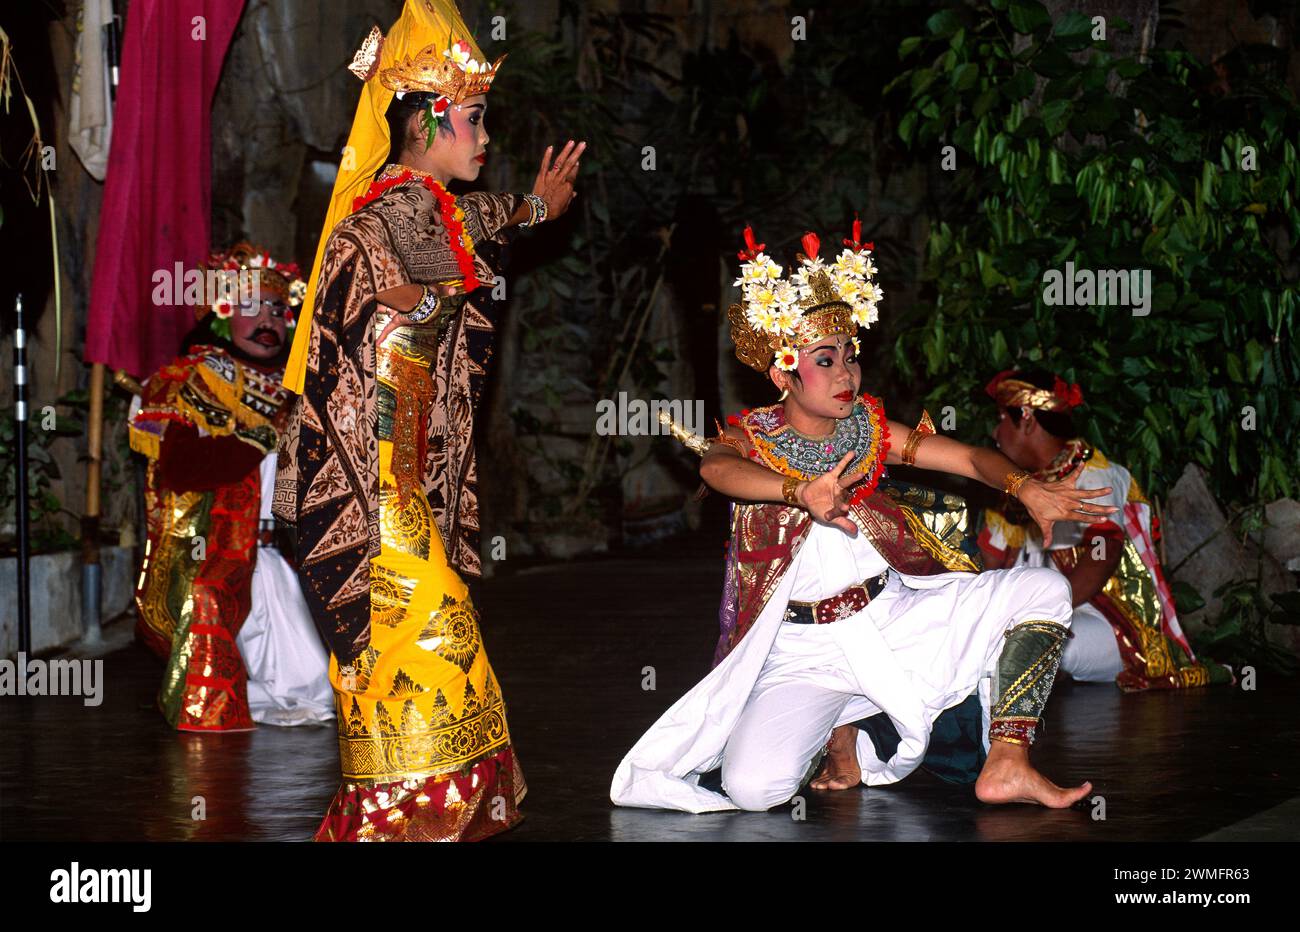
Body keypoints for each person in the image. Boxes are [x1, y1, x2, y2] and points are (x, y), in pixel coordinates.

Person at [611, 222, 1115, 813]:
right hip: (802, 652)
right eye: (826, 360)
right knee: (754, 790)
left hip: (894, 619)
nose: (847, 373)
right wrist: (799, 491)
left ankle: (1007, 761)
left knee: (1044, 588)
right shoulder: (754, 439)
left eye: (851, 356)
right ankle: (840, 728)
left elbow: (969, 457)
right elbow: (717, 471)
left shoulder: (869, 429)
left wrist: (1023, 485)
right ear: (782, 372)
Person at [273, 0, 582, 841]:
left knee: (420, 662)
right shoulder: (375, 226)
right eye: (474, 119)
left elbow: (485, 218)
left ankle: (400, 820)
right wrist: (413, 299)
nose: (485, 136)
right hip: (368, 487)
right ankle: (393, 822)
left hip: (408, 483)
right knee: (438, 650)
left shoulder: (435, 210)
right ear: (426, 121)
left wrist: (541, 207)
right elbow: (364, 326)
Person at [131, 242, 333, 731]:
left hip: (286, 556)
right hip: (214, 550)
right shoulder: (183, 380)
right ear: (221, 316)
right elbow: (178, 469)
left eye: (279, 310)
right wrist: (257, 442)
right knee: (209, 597)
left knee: (318, 687)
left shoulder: (301, 386)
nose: (269, 320)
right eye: (251, 307)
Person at [979, 370, 1232, 690]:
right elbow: (987, 562)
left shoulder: (1095, 477)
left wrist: (1036, 610)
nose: (994, 431)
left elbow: (1103, 556)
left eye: (1002, 418)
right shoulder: (1013, 485)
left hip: (1107, 624)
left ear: (1027, 419)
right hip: (1028, 614)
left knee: (1034, 643)